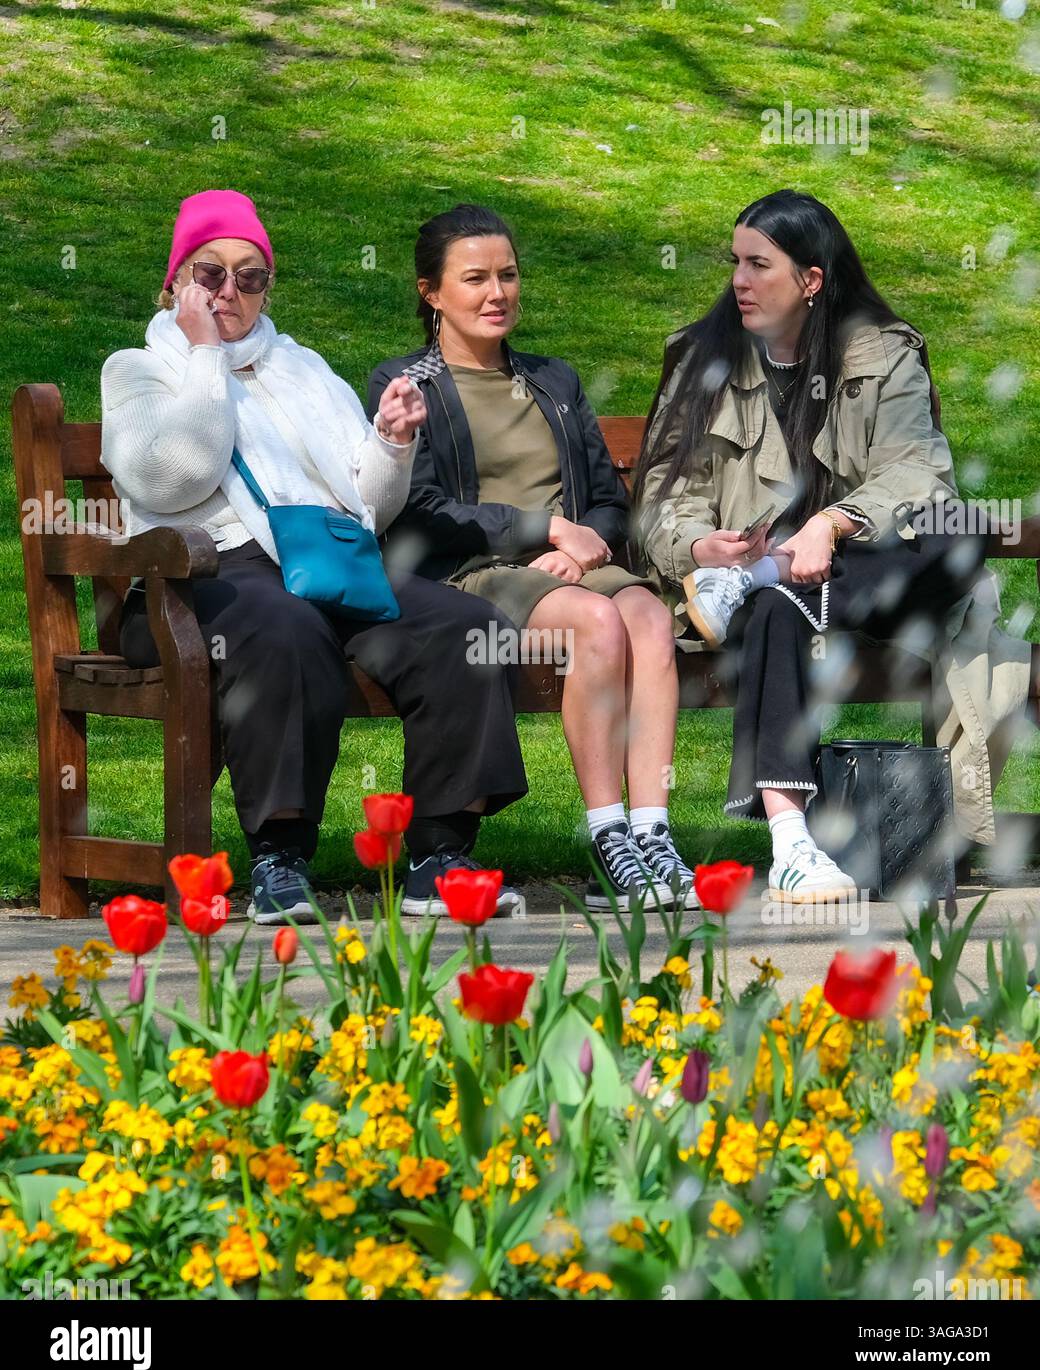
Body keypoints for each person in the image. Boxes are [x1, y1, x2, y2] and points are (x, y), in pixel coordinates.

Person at [101, 189, 529, 924]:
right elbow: (175, 476)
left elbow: (370, 503)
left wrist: (393, 441)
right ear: (175, 282)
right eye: (209, 274)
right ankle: (280, 857)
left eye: (250, 276)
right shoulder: (138, 371)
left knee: (464, 627)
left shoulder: (298, 366)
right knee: (285, 631)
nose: (230, 291)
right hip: (193, 578)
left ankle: (438, 854)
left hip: (322, 569)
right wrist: (205, 356)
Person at [635, 188, 1033, 904]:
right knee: (782, 609)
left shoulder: (884, 352)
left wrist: (830, 524)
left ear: (811, 280)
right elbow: (664, 499)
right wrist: (702, 551)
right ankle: (791, 843)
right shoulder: (704, 359)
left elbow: (918, 473)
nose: (739, 281)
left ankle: (767, 577)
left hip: (862, 570)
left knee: (956, 531)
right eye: (735, 262)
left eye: (759, 265)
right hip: (754, 588)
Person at [368, 204, 698, 911]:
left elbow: (610, 503)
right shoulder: (406, 383)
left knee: (647, 618)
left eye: (509, 276)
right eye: (476, 279)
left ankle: (652, 832)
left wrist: (584, 545)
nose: (498, 294)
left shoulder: (554, 381)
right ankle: (608, 836)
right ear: (430, 292)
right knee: (598, 625)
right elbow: (420, 509)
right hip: (475, 571)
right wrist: (544, 529)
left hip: (572, 566)